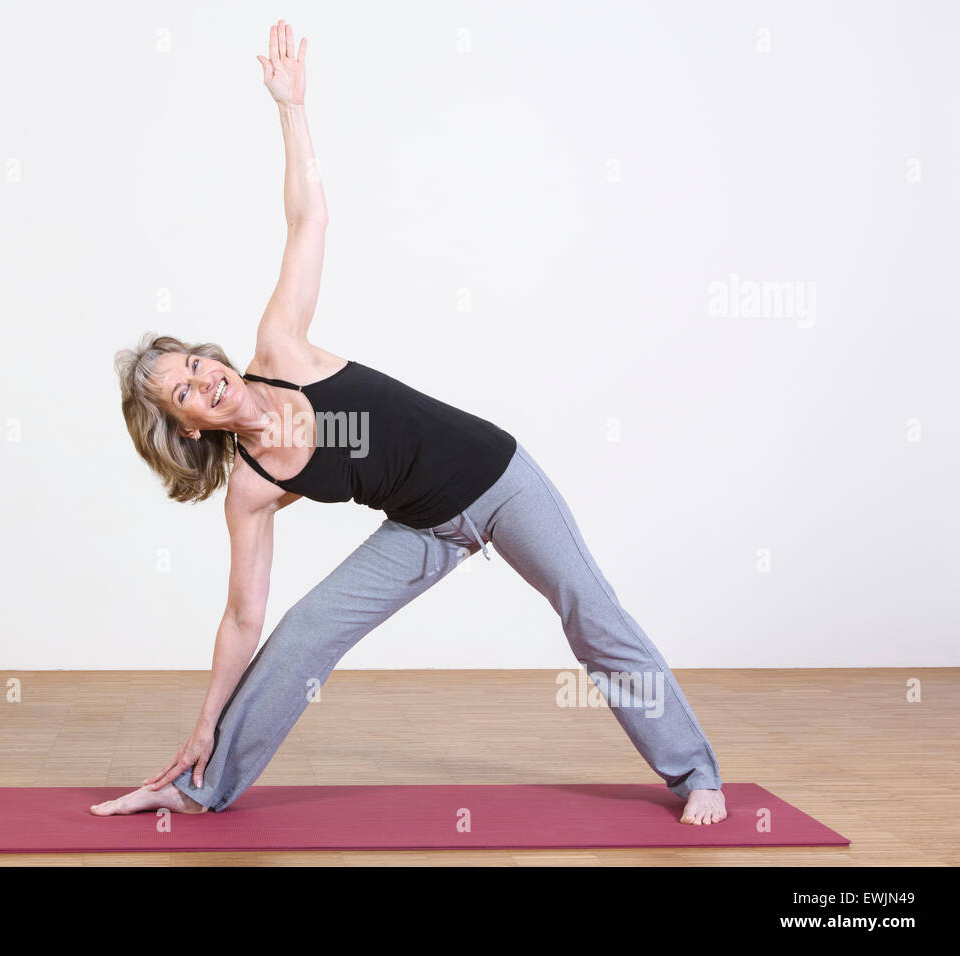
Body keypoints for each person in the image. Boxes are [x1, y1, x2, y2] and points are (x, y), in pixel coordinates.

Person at [99, 20, 727, 825]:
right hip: (425, 526)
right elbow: (242, 619)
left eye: (192, 362)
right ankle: (200, 785)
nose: (202, 379)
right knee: (303, 631)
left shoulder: (280, 348)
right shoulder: (250, 490)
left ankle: (695, 772)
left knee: (589, 613)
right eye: (182, 391)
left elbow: (308, 221)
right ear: (187, 428)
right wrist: (201, 724)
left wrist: (291, 109)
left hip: (497, 481)